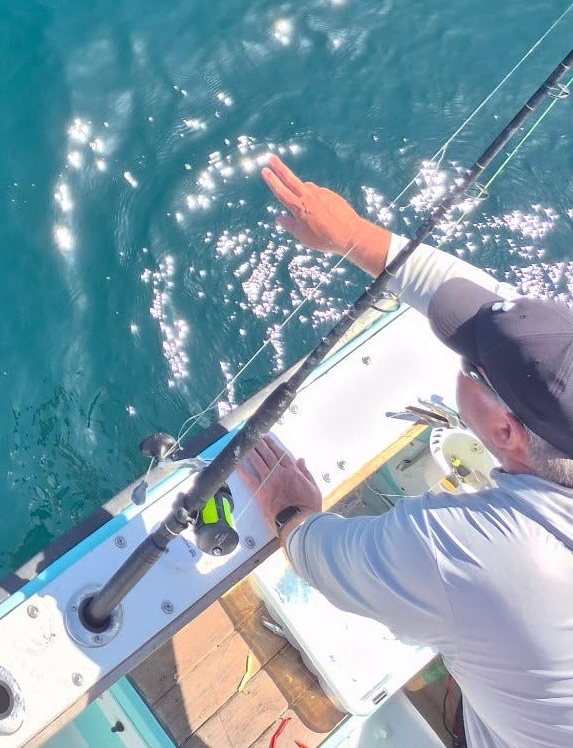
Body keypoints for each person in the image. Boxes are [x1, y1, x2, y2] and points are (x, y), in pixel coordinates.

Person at [241, 156, 573, 748]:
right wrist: (349, 236)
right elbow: (507, 320)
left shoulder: (482, 556)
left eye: (473, 363)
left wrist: (292, 516)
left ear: (505, 433)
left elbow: (331, 563)